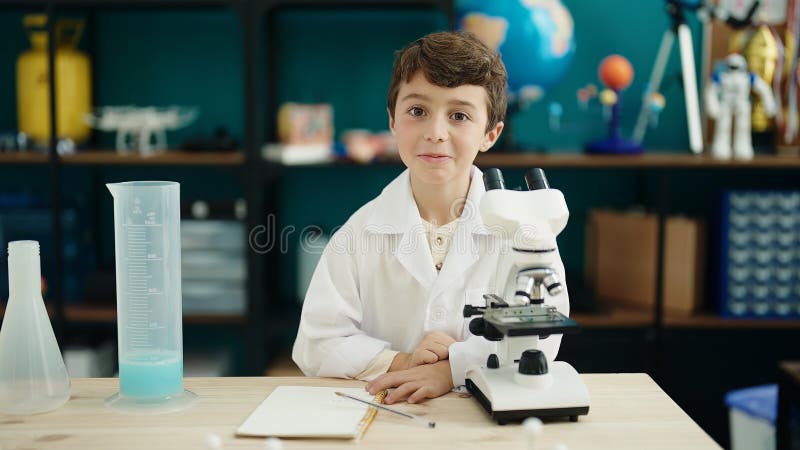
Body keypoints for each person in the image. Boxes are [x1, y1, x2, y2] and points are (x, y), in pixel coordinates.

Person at [292, 30, 569, 405]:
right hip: (389, 414)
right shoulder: (360, 231)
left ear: (491, 133)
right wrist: (400, 361)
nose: (435, 133)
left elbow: (544, 335)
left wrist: (451, 368)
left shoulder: (524, 231)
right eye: (417, 111)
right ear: (392, 120)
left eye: (459, 115)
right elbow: (316, 342)